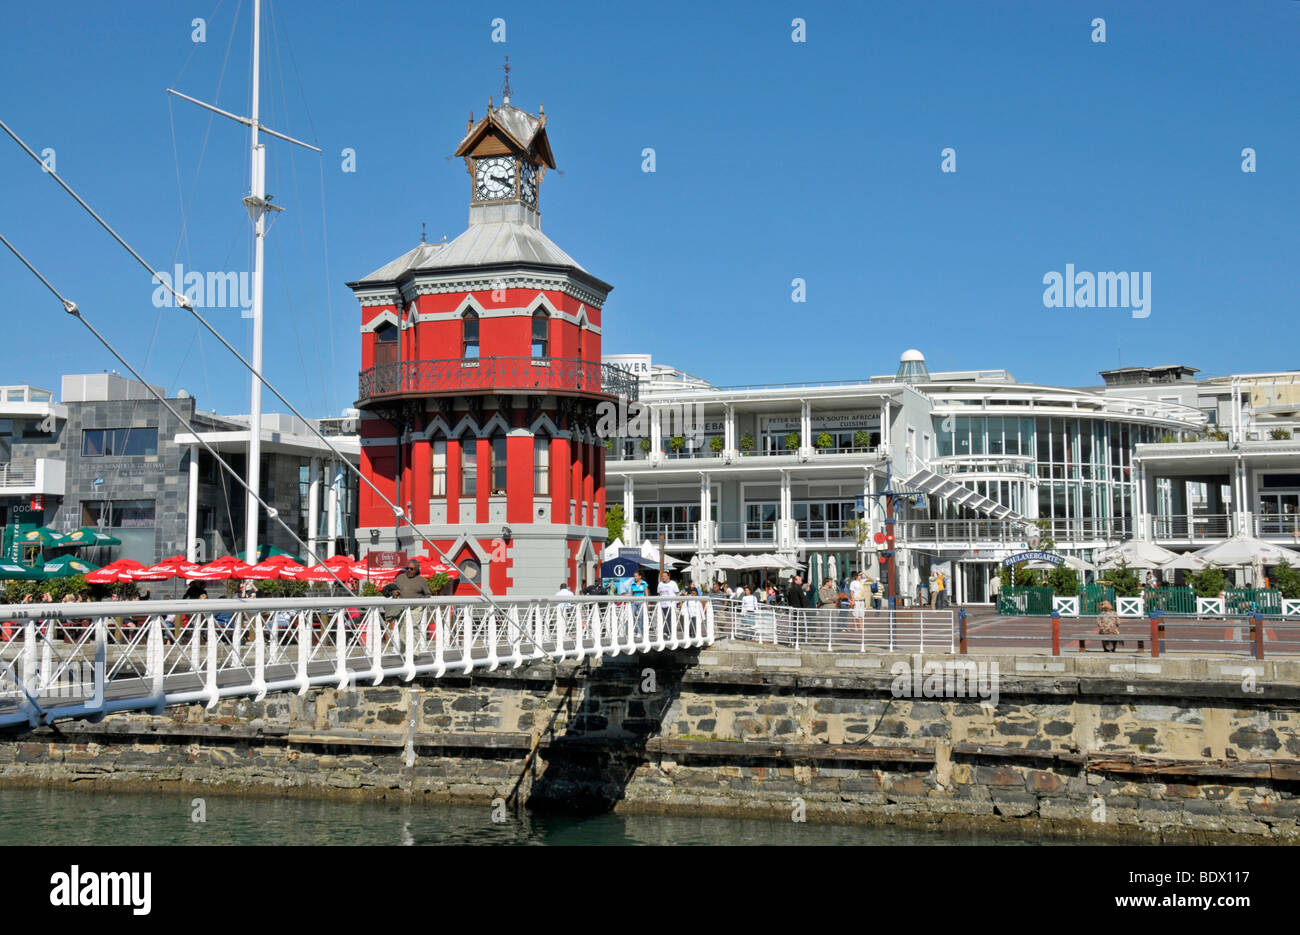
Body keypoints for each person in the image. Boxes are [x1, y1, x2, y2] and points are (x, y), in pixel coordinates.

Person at [385, 560, 431, 649]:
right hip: (401, 608)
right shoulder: (400, 578)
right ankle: (404, 653)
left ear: (417, 569)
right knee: (402, 631)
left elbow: (428, 594)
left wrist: (422, 605)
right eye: (407, 568)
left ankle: (414, 652)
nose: (409, 570)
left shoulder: (421, 580)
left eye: (412, 569)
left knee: (413, 629)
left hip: (416, 608)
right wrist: (393, 592)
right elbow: (392, 590)